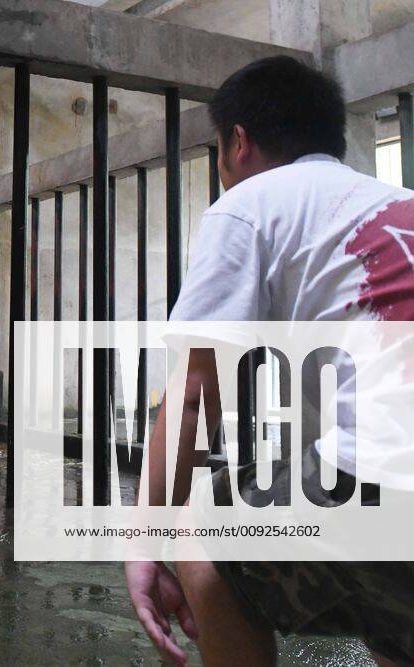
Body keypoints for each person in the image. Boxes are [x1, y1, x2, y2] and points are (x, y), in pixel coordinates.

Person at [124, 56, 414, 666]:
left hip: (390, 485)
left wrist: (145, 540)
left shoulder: (251, 202)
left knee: (204, 531)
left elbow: (198, 392)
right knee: (389, 600)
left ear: (238, 141)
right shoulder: (399, 202)